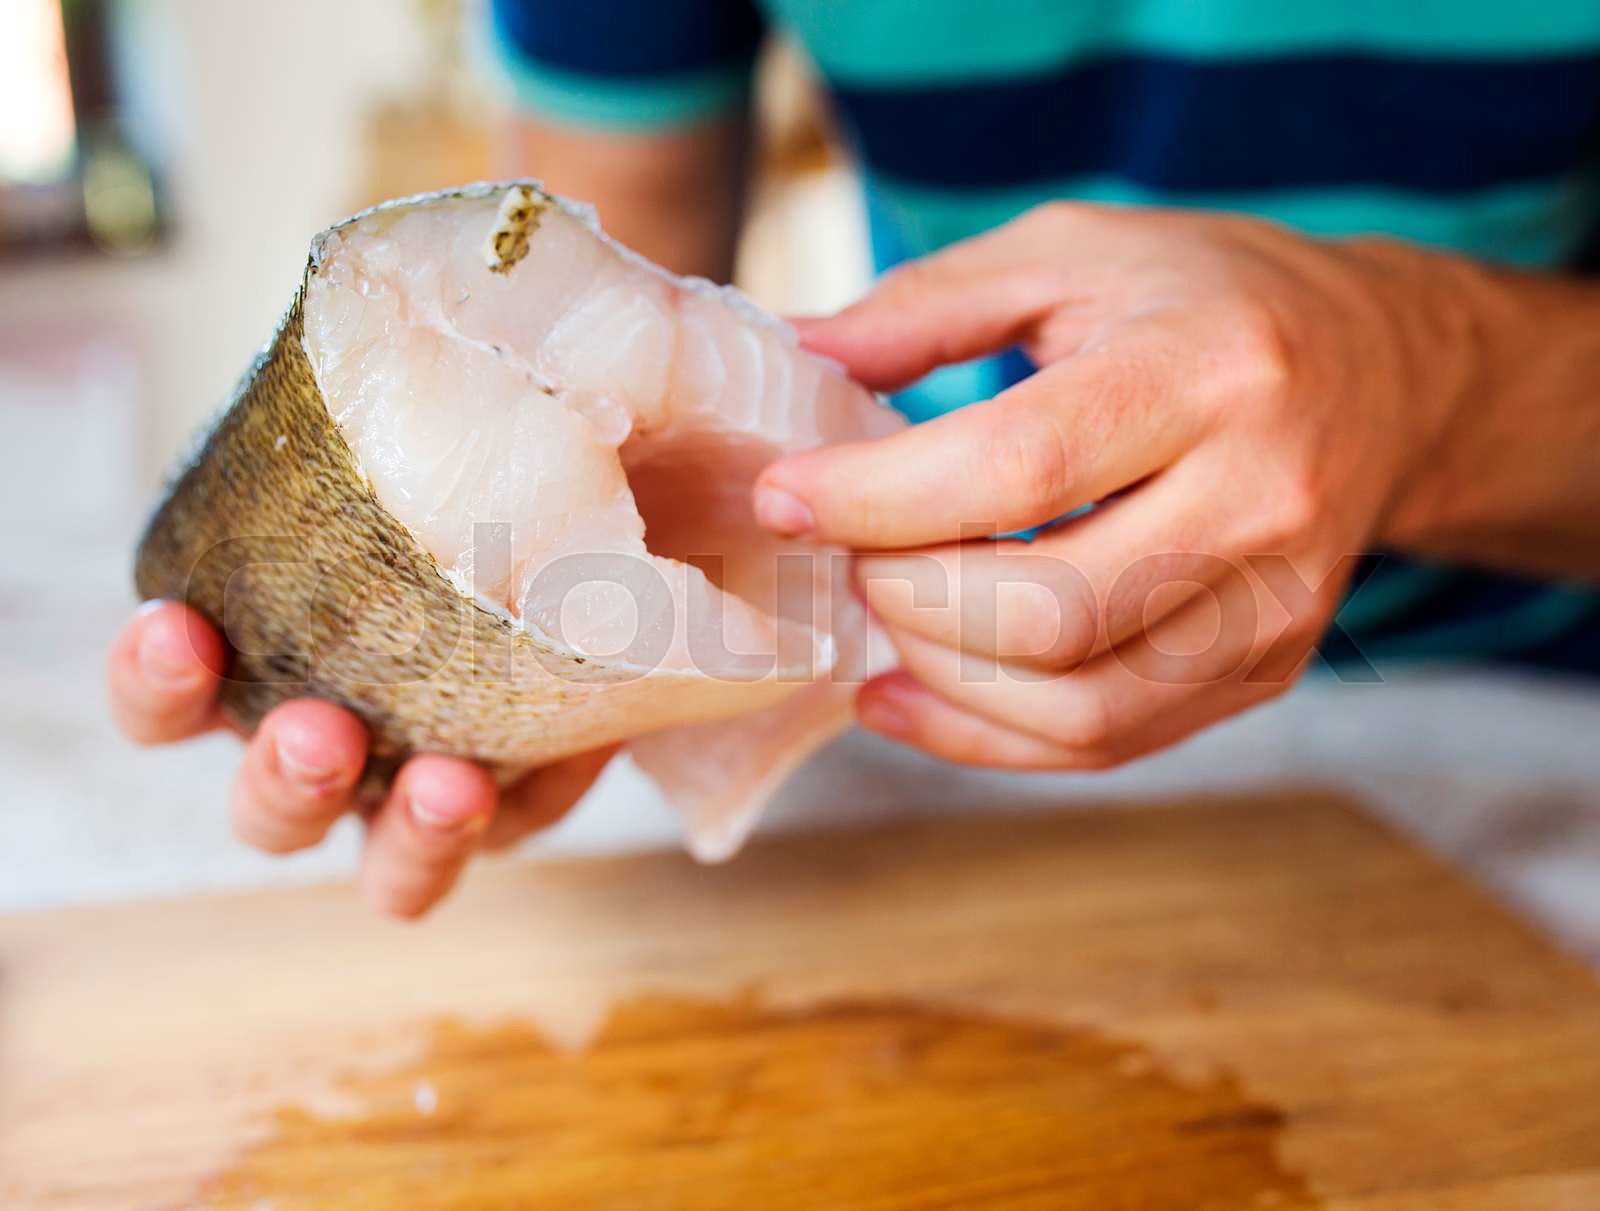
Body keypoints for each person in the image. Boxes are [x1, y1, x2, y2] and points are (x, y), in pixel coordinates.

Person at [108, 2, 1600, 917]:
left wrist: (1431, 382)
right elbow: (569, 287)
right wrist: (529, 690)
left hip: (1532, 716)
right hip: (936, 723)